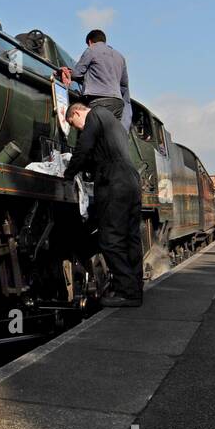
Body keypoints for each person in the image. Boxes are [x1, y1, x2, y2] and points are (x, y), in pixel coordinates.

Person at [62, 101, 143, 306]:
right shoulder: (112, 122)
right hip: (131, 181)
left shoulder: (94, 115)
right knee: (131, 237)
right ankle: (135, 287)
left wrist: (68, 173)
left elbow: (84, 147)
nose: (77, 130)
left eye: (74, 124)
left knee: (110, 238)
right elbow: (99, 152)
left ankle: (126, 292)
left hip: (114, 182)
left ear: (77, 113)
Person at [63, 29, 130, 128]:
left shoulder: (91, 49)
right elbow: (124, 85)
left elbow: (77, 74)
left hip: (99, 100)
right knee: (109, 134)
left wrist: (67, 73)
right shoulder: (120, 57)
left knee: (92, 134)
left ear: (90, 42)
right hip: (117, 103)